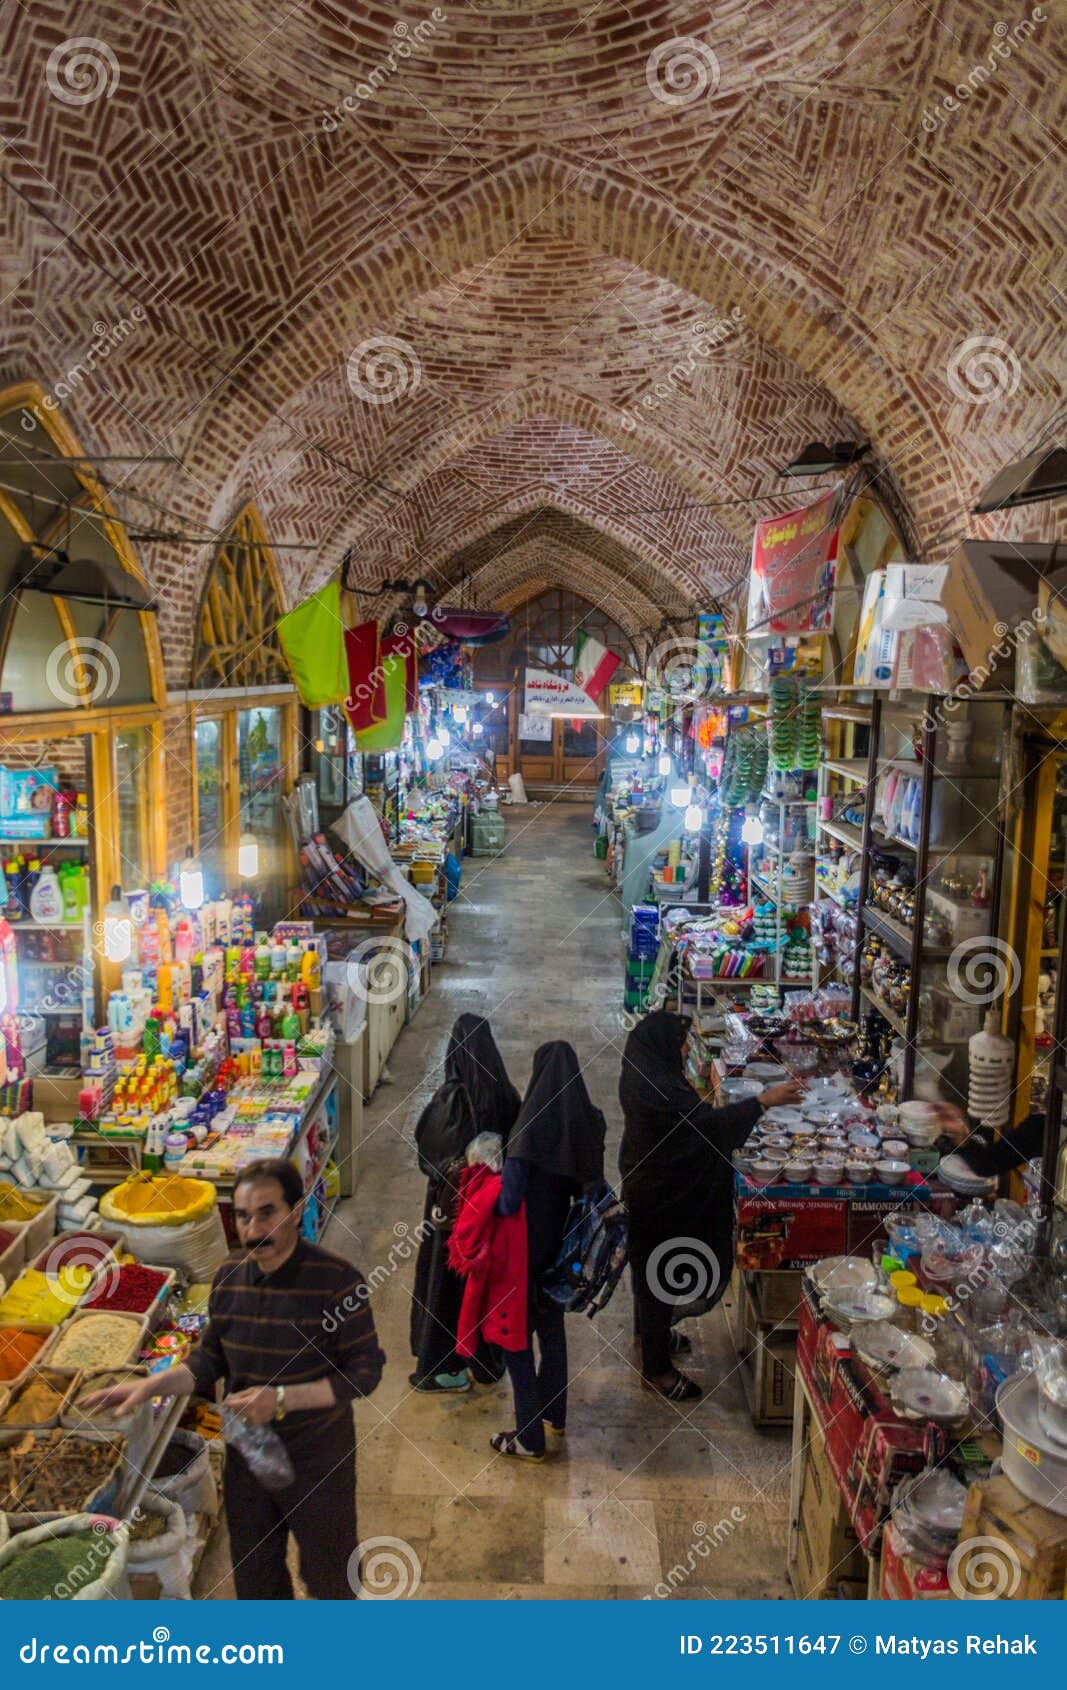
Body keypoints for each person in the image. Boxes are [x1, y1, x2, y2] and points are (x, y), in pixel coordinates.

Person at [83, 1158, 385, 1600]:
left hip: (318, 1459)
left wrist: (282, 1399)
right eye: (244, 1216)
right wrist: (151, 1384)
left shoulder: (337, 1282)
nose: (253, 1227)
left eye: (267, 1212)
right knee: (256, 1578)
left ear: (297, 1210)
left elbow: (365, 1373)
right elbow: (210, 1360)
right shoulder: (228, 1278)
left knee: (331, 1577)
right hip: (248, 1458)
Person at [619, 1010, 803, 1401]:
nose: (687, 1047)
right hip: (659, 1198)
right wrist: (762, 1102)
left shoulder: (647, 1076)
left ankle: (653, 1339)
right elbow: (705, 1130)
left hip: (652, 1188)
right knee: (656, 1279)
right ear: (663, 1046)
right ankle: (657, 1371)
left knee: (653, 1278)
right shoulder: (662, 1093)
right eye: (682, 1041)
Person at [489, 1040, 606, 1461]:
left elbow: (508, 1202)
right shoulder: (587, 1126)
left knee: (514, 1340)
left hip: (524, 1256)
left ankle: (528, 1436)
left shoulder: (528, 1131)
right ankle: (554, 1414)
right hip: (564, 1255)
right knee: (552, 1333)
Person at [410, 1013, 521, 1392]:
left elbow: (426, 1152)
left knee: (445, 1287)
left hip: (450, 1217)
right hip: (491, 1218)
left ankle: (443, 1366)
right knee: (485, 1288)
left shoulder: (450, 1099)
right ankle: (487, 1362)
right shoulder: (506, 1096)